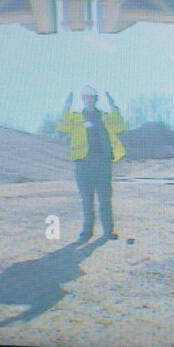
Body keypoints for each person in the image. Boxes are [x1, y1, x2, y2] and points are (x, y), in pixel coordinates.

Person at [56, 85, 126, 243]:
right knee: (87, 200)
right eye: (86, 97)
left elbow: (120, 125)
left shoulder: (105, 117)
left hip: (102, 163)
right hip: (83, 164)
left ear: (96, 99)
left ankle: (108, 231)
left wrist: (114, 106)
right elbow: (62, 127)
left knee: (105, 199)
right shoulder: (75, 117)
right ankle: (86, 232)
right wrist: (66, 106)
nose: (89, 99)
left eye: (92, 97)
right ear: (82, 99)